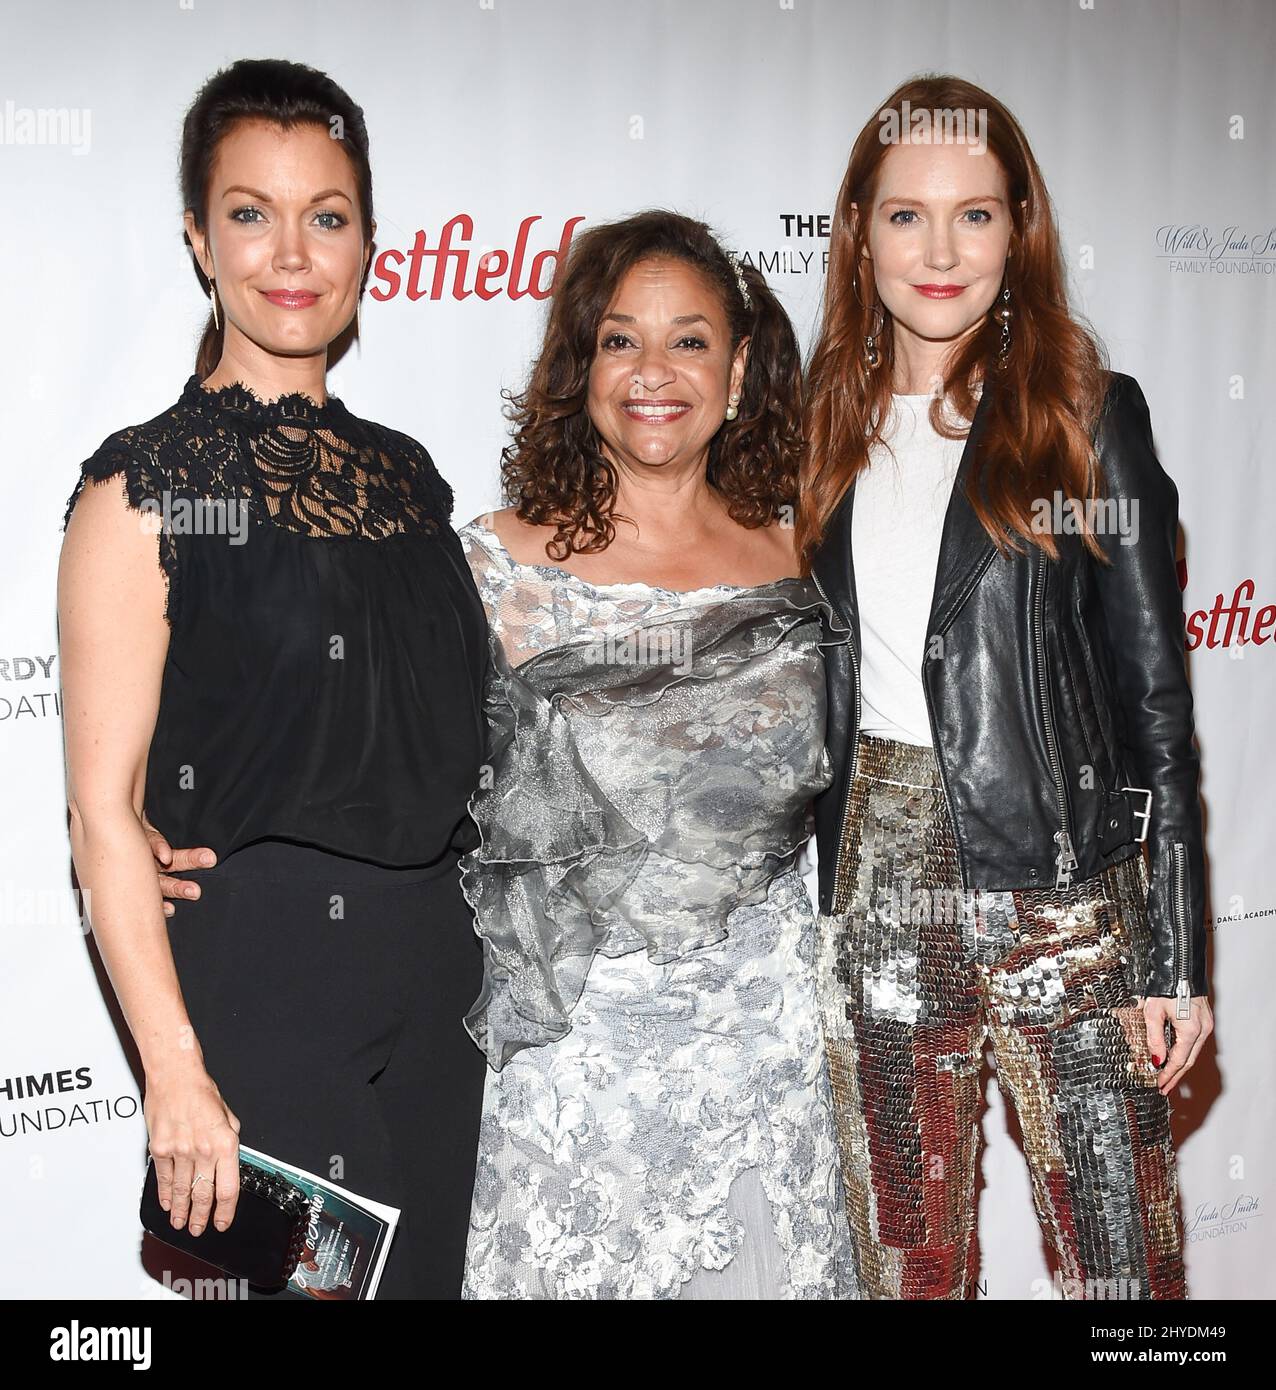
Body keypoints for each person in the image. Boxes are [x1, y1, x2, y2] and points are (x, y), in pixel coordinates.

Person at [58, 58, 487, 1300]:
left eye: (328, 215)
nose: (290, 251)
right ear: (199, 237)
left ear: (367, 239)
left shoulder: (408, 476)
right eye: (250, 212)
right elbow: (100, 810)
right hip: (260, 988)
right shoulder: (139, 490)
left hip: (438, 984)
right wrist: (175, 1069)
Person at [798, 74, 1212, 1300]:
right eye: (906, 215)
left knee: (1121, 1265)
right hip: (872, 883)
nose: (940, 250)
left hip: (1066, 896)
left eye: (975, 215)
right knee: (905, 1259)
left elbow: (1155, 699)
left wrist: (1174, 946)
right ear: (858, 230)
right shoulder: (816, 425)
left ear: (1017, 232)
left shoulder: (1087, 419)